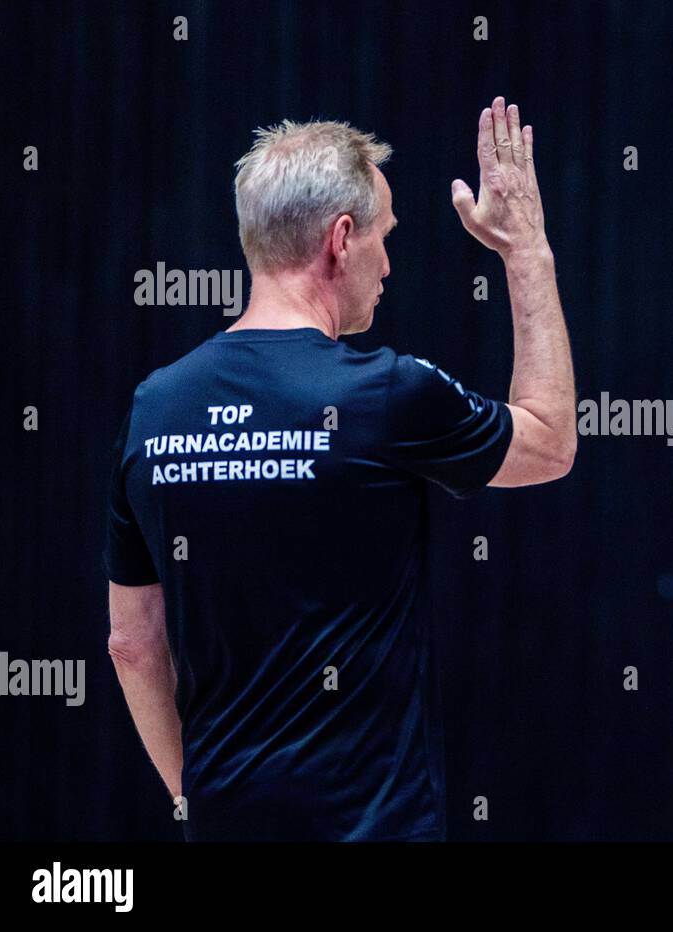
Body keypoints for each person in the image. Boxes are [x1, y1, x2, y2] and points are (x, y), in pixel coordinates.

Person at [104, 98, 575, 841]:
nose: (389, 264)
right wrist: (527, 253)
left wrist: (193, 799)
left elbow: (131, 644)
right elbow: (549, 443)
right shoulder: (385, 393)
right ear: (341, 238)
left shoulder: (153, 408)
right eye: (385, 237)